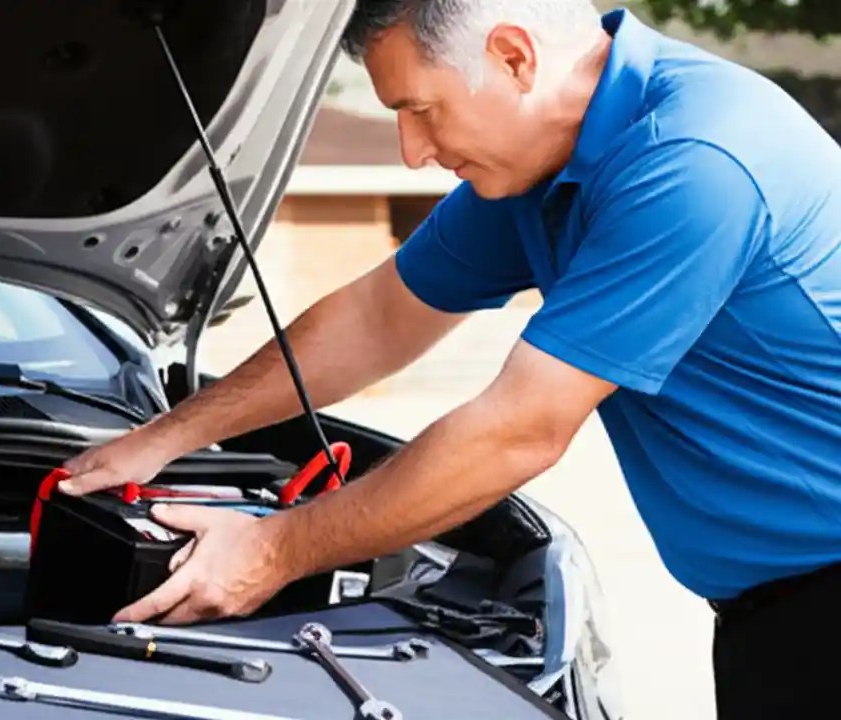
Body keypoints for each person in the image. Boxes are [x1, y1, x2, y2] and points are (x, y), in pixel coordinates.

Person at [59, 2, 841, 717]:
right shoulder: (545, 164)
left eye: (420, 110)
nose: (411, 152)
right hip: (773, 610)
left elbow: (518, 430)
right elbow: (377, 317)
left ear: (513, 58)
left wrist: (270, 551)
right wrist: (165, 436)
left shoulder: (692, 160)